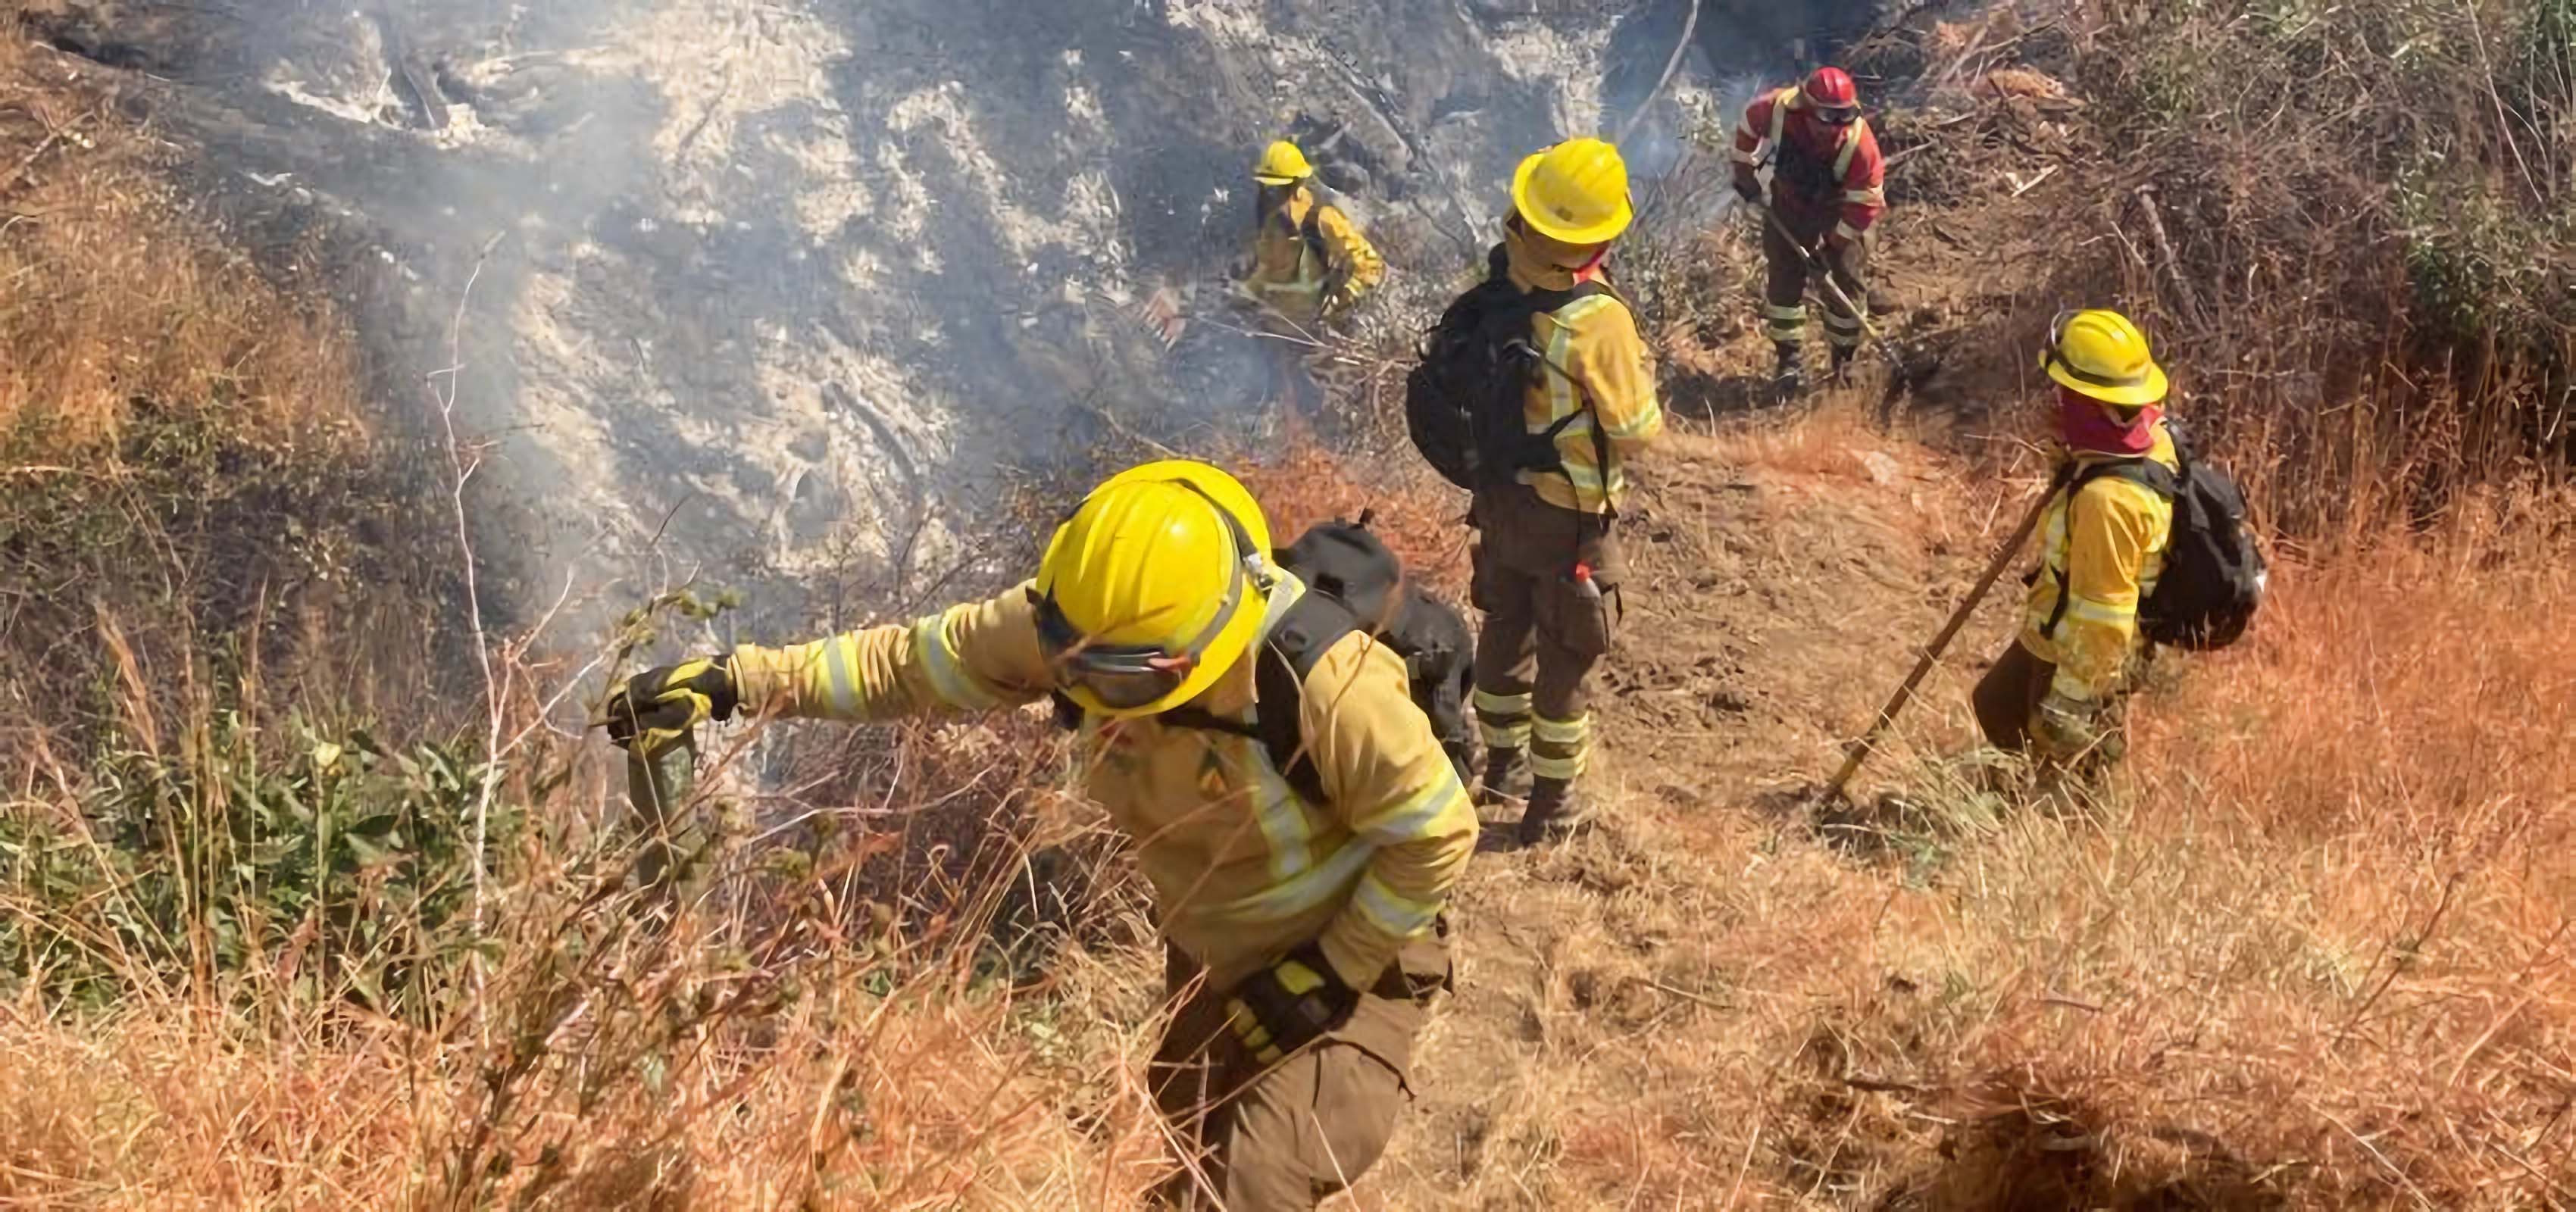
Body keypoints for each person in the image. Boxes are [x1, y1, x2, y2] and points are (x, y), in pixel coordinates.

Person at [606, 460, 1475, 1209]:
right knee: (1190, 1156)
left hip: (1353, 961)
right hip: (1215, 958)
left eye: (1118, 675)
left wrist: (1331, 971)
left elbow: (1435, 830)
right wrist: (738, 681)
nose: (1084, 688)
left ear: (1192, 651)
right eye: (1069, 659)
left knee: (1254, 1184)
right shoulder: (1089, 629)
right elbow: (904, 664)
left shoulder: (1321, 679)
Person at [1466, 137, 1665, 846]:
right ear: (1602, 233)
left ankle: (1501, 768)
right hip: (1568, 514)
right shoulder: (1597, 319)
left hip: (1497, 502)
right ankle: (1551, 807)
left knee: (1503, 628)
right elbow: (1638, 430)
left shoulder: (1501, 279)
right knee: (1568, 652)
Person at [1972, 308, 2178, 773]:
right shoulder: (2143, 432)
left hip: (2088, 656)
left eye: (2063, 392)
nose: (2052, 399)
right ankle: (2014, 797)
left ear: (2086, 401)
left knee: (2072, 769)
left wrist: (2072, 700)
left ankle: (2066, 828)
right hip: (2055, 626)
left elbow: (2104, 617)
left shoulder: (2110, 501)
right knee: (1997, 706)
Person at [1730, 67, 1887, 392]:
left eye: (1843, 118)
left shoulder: (1860, 146)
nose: (1835, 128)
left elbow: (1863, 208)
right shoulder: (1774, 110)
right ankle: (1789, 362)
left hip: (1839, 211)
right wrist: (1744, 173)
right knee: (1784, 281)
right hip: (1789, 205)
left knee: (1845, 282)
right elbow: (1746, 129)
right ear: (1806, 107)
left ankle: (1844, 361)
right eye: (1827, 118)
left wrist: (1831, 247)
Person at [1243, 140, 1384, 326]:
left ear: (1297, 186)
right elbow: (1269, 272)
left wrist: (1342, 299)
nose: (1271, 196)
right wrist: (1245, 294)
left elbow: (1370, 264)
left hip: (1316, 334)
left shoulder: (1322, 217)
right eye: (1267, 188)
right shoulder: (1274, 224)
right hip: (1278, 332)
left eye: (1278, 188)